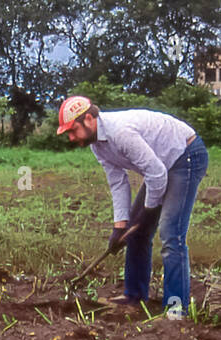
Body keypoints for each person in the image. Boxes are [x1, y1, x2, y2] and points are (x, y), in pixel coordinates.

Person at [58, 96, 208, 316]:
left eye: (73, 130)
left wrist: (147, 213)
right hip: (160, 166)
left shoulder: (120, 133)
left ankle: (177, 309)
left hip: (184, 157)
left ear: (89, 119)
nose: (71, 137)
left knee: (171, 235)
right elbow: (118, 182)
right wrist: (120, 227)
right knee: (135, 234)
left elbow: (156, 174)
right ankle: (134, 296)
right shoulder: (97, 145)